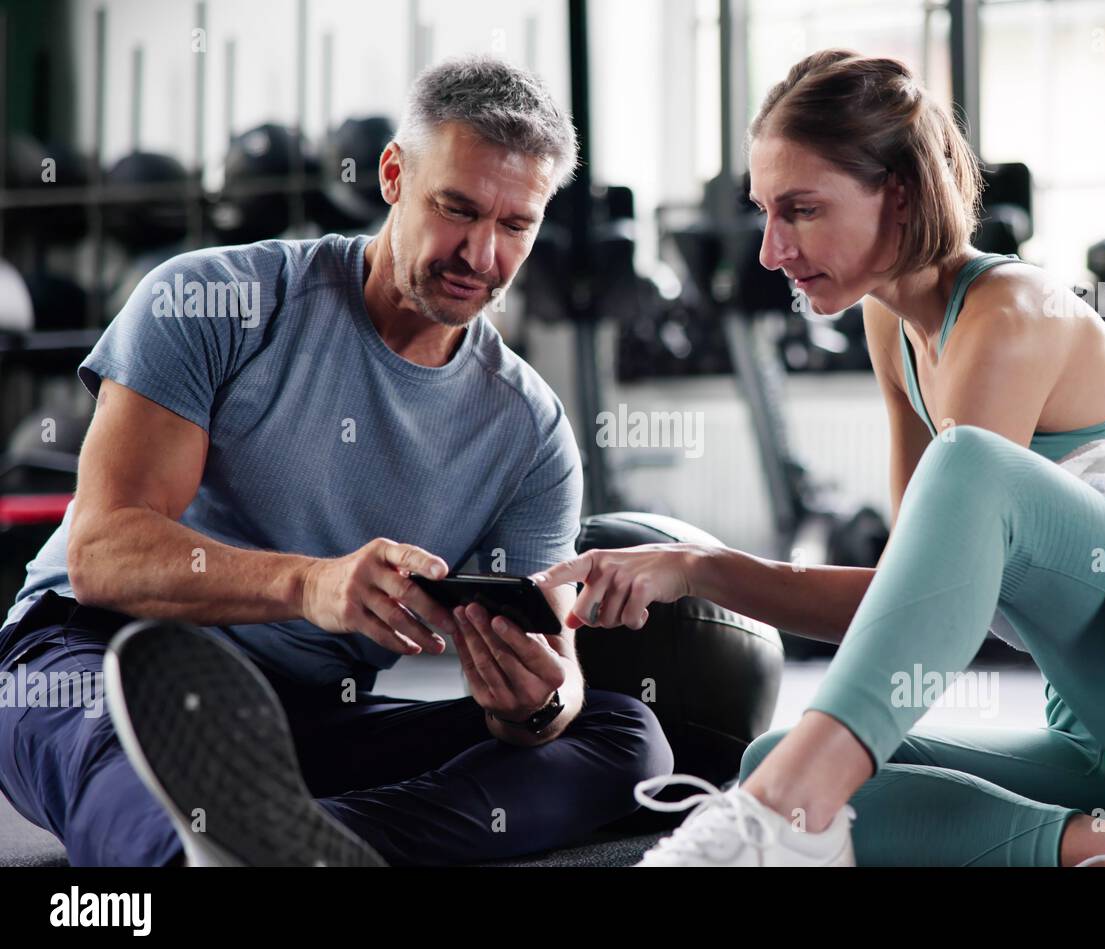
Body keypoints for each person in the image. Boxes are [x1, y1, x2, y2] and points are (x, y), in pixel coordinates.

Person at [534, 50, 1105, 867]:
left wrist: (700, 567)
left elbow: (937, 603)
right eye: (764, 212)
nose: (769, 250)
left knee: (963, 471)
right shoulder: (891, 324)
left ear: (897, 193)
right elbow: (904, 602)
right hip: (1097, 738)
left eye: (800, 210)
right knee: (778, 766)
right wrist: (689, 569)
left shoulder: (1014, 314)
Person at [0, 55, 671, 867]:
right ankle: (205, 853)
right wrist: (309, 583)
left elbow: (552, 673)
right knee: (146, 790)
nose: (481, 255)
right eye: (455, 209)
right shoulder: (214, 300)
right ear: (393, 174)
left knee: (623, 738)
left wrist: (532, 707)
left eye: (515, 226)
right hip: (95, 658)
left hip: (299, 716)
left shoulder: (527, 429)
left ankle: (321, 843)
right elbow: (104, 556)